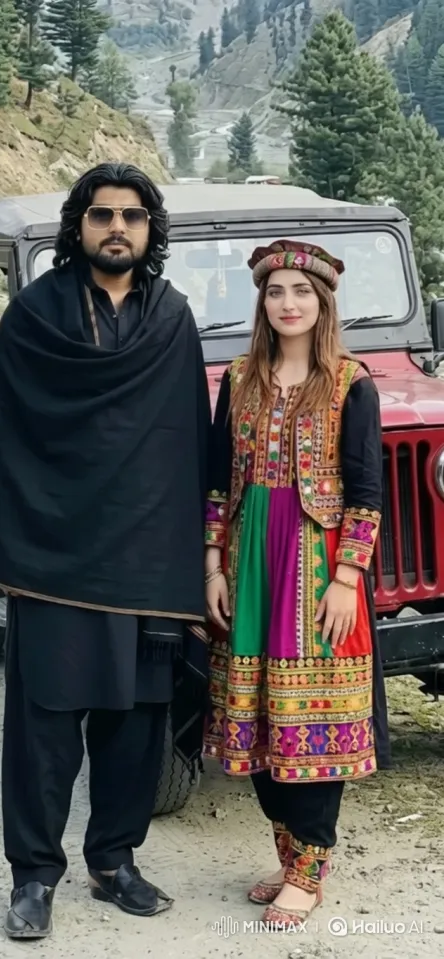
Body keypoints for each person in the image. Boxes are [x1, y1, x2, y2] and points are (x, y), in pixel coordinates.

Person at [0, 163, 211, 939]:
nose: (117, 227)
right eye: (102, 214)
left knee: (136, 724)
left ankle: (115, 860)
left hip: (146, 559)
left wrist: (198, 553)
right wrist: (29, 539)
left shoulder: (173, 318)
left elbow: (187, 444)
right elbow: (14, 439)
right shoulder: (36, 314)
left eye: (132, 215)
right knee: (45, 726)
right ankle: (33, 876)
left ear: (150, 229)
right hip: (57, 556)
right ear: (80, 225)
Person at [203, 239, 390, 930]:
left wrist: (347, 578)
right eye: (276, 291)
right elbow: (219, 481)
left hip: (316, 562)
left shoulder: (349, 382)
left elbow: (367, 489)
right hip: (249, 557)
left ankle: (309, 871)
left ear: (323, 302)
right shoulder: (241, 376)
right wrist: (213, 565)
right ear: (262, 301)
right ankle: (289, 860)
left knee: (313, 716)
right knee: (252, 713)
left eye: (301, 292)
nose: (288, 303)